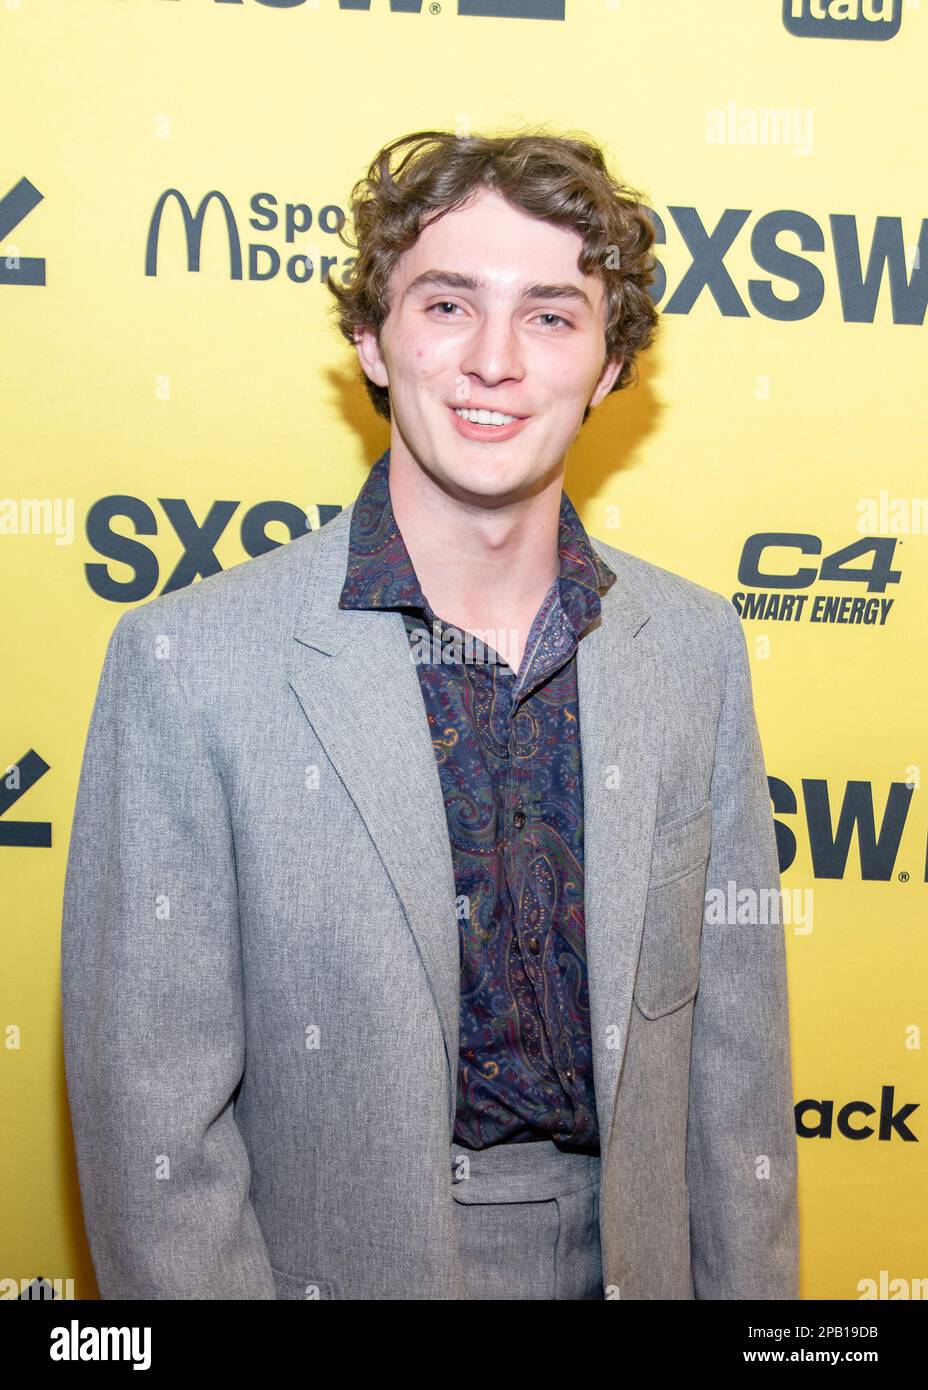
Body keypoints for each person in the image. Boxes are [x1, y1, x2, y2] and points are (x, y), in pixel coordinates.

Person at [61, 128, 799, 1300]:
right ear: (373, 339)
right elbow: (155, 1137)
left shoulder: (694, 648)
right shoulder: (188, 660)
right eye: (448, 305)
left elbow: (738, 1079)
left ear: (609, 365)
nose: (494, 361)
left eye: (552, 315)